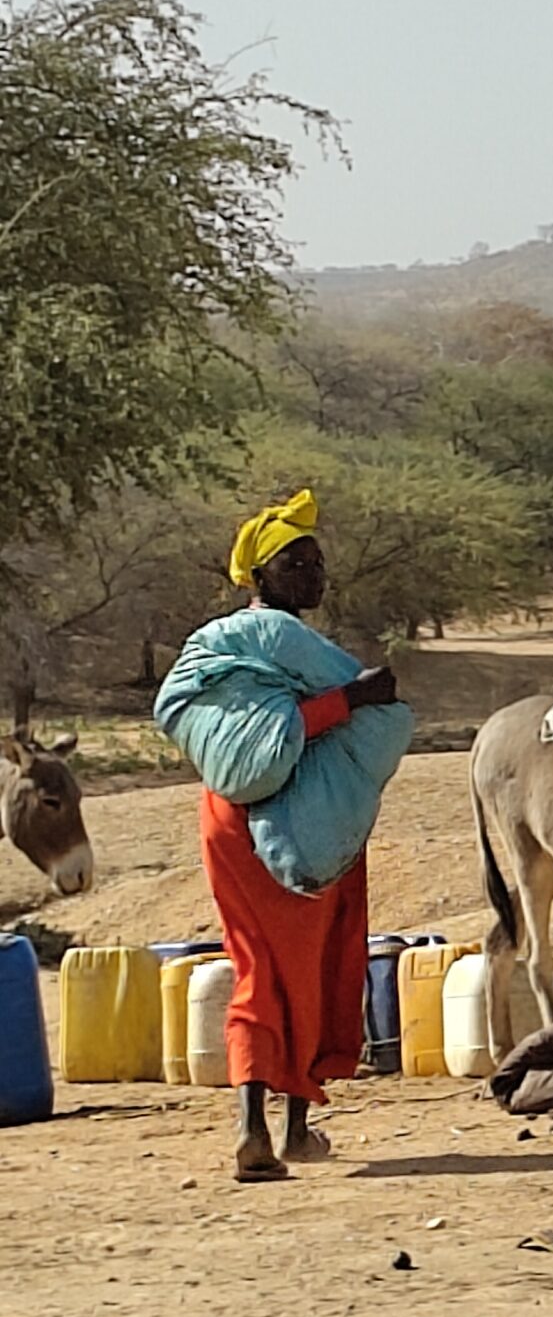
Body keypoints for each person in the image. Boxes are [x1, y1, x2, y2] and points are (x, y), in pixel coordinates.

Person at [165, 493, 404, 1181]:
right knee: (287, 969)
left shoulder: (230, 649)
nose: (312, 574)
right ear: (259, 578)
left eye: (317, 562)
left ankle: (282, 1128)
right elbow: (272, 739)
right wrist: (352, 701)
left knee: (279, 965)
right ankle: (259, 1128)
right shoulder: (265, 640)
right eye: (294, 563)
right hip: (289, 819)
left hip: (233, 820)